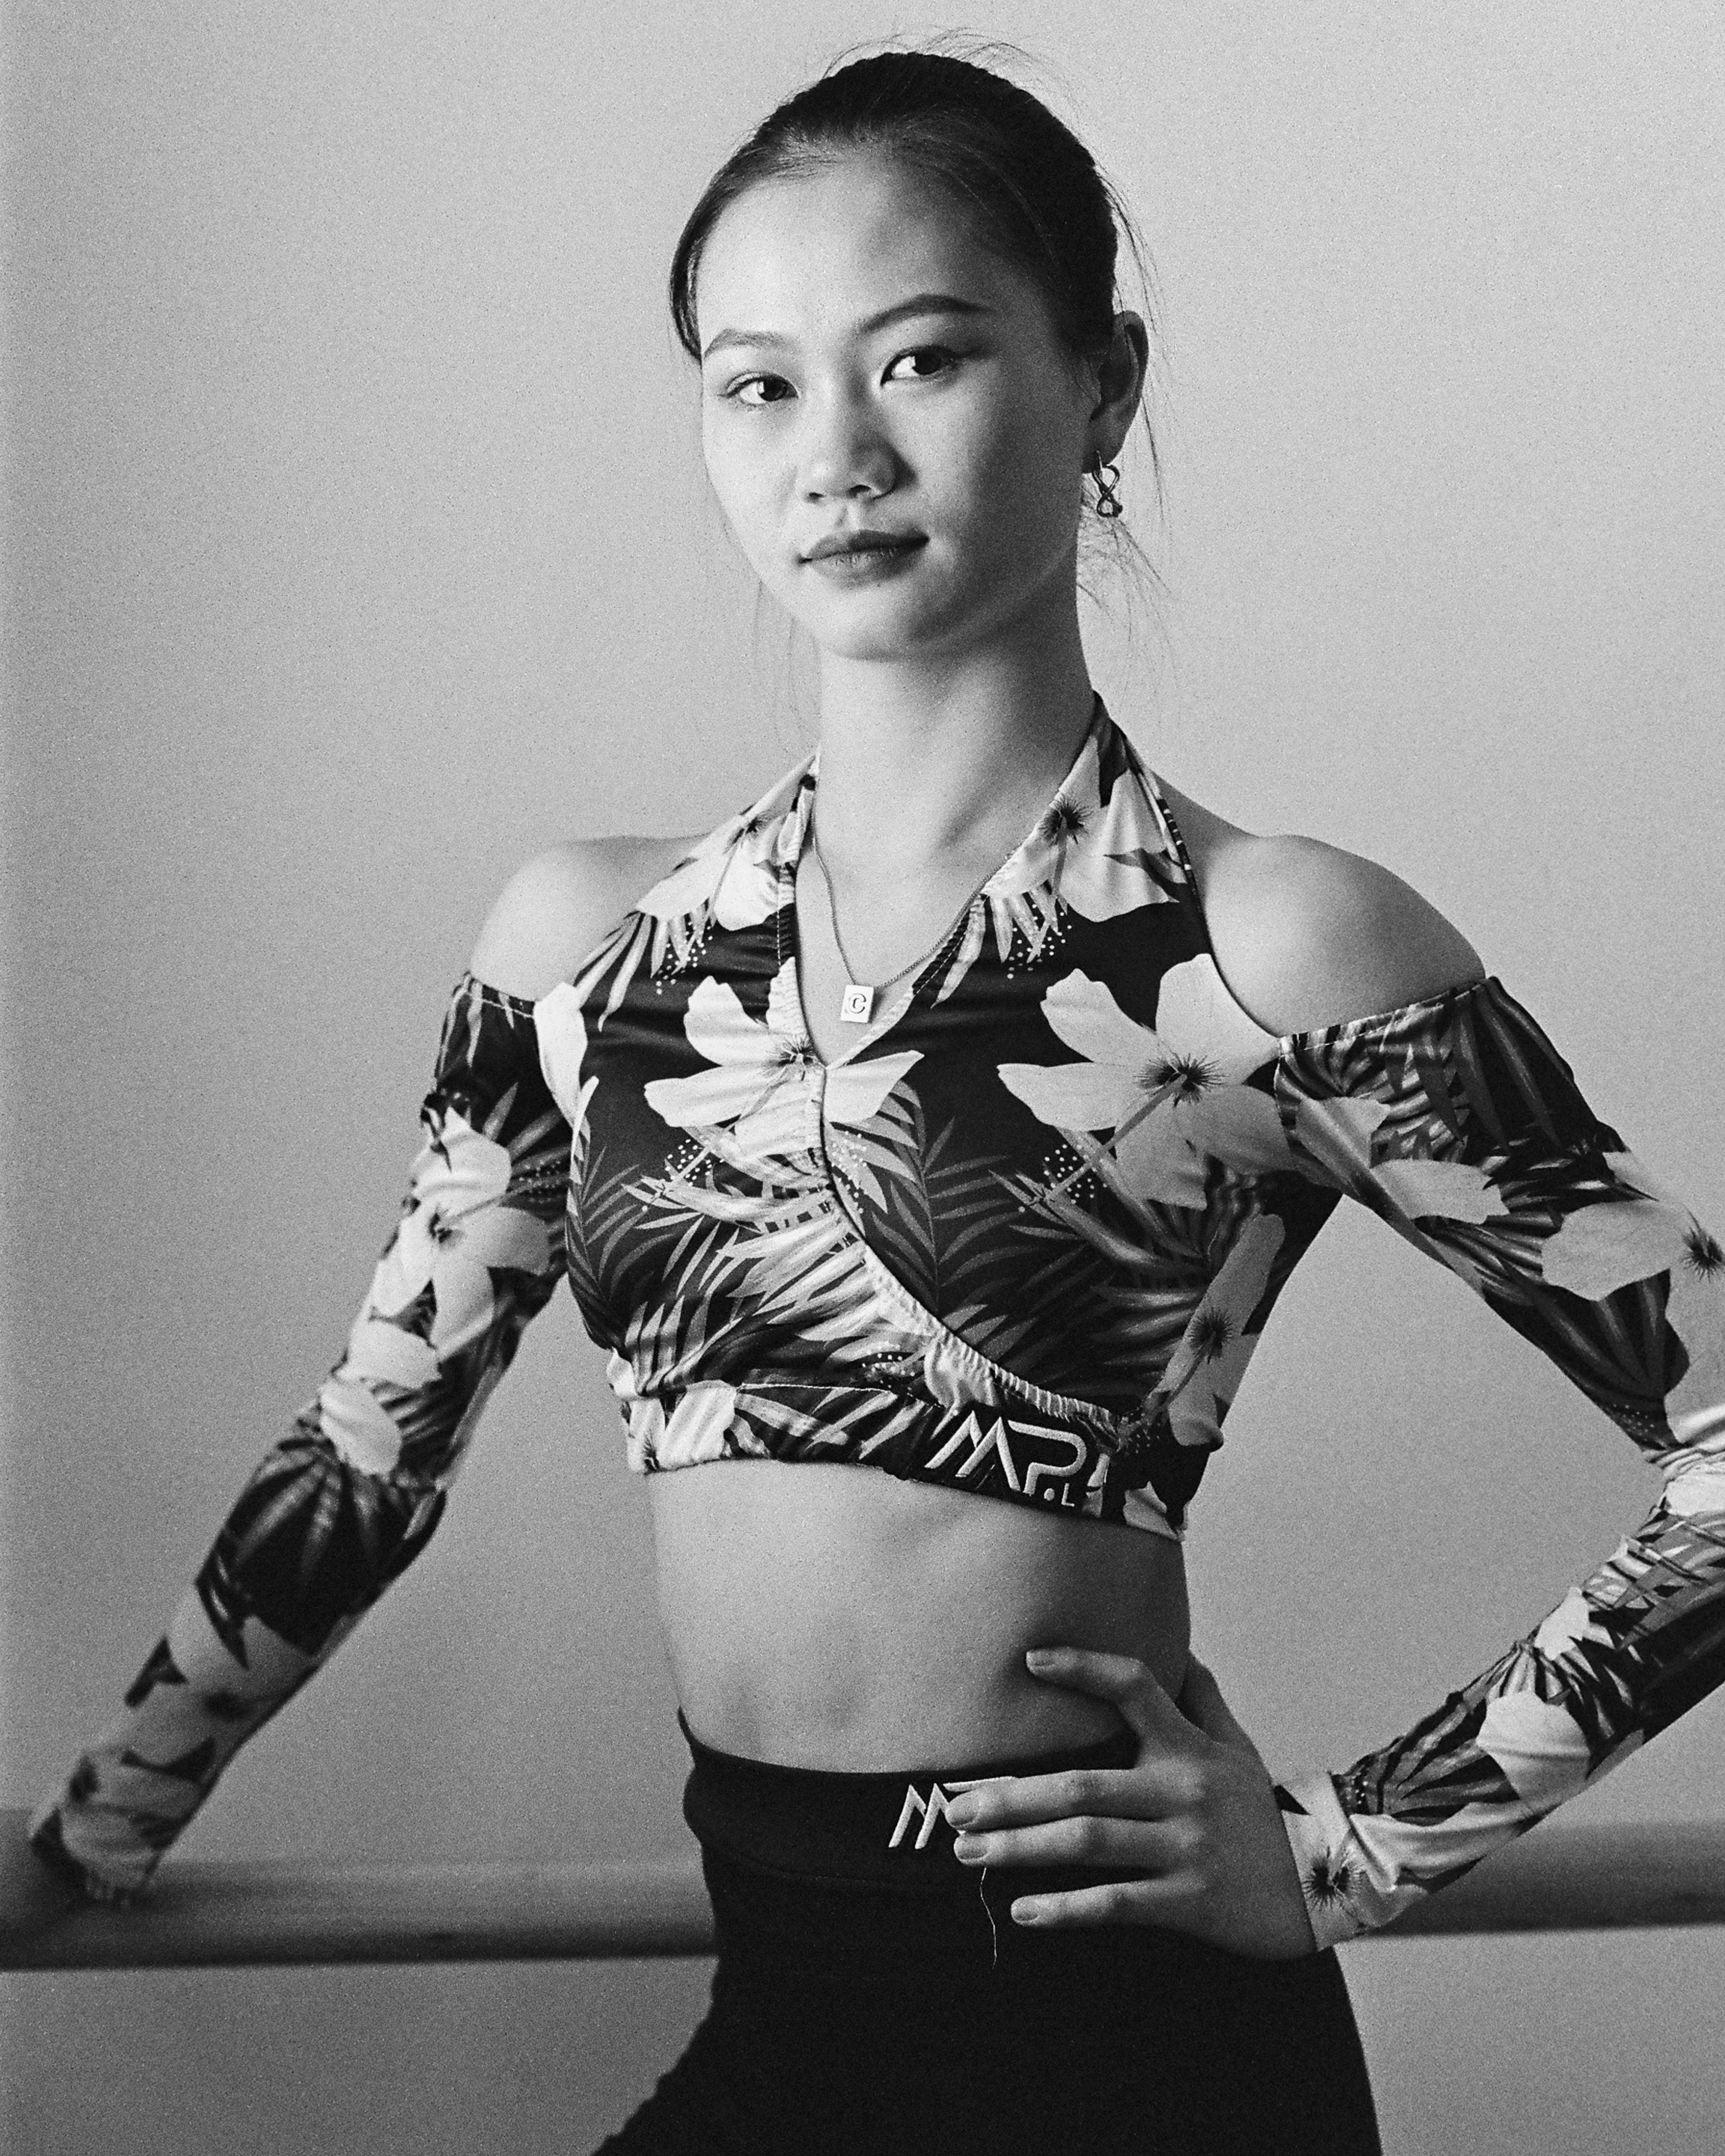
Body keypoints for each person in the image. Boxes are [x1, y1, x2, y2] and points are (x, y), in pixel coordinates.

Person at [21, 44, 1725, 2156]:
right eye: (757, 384)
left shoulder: (1264, 948)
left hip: (1123, 2046)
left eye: (921, 359)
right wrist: (96, 1834)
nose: (834, 454)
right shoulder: (584, 953)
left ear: (1099, 387)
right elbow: (370, 1448)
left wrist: (1356, 1844)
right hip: (790, 1999)